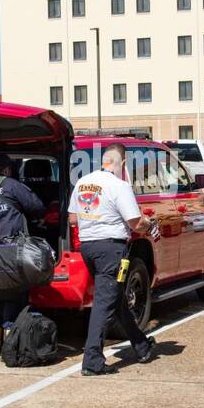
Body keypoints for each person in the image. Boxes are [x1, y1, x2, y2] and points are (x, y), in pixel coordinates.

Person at [68, 143, 158, 375]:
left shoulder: (83, 182)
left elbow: (72, 219)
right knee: (103, 304)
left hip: (88, 246)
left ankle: (141, 346)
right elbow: (135, 223)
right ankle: (92, 361)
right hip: (111, 250)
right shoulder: (119, 186)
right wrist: (149, 224)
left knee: (115, 299)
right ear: (123, 163)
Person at [0, 153, 45, 359]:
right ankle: (11, 348)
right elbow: (36, 206)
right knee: (15, 296)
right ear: (7, 170)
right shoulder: (12, 185)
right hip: (11, 251)